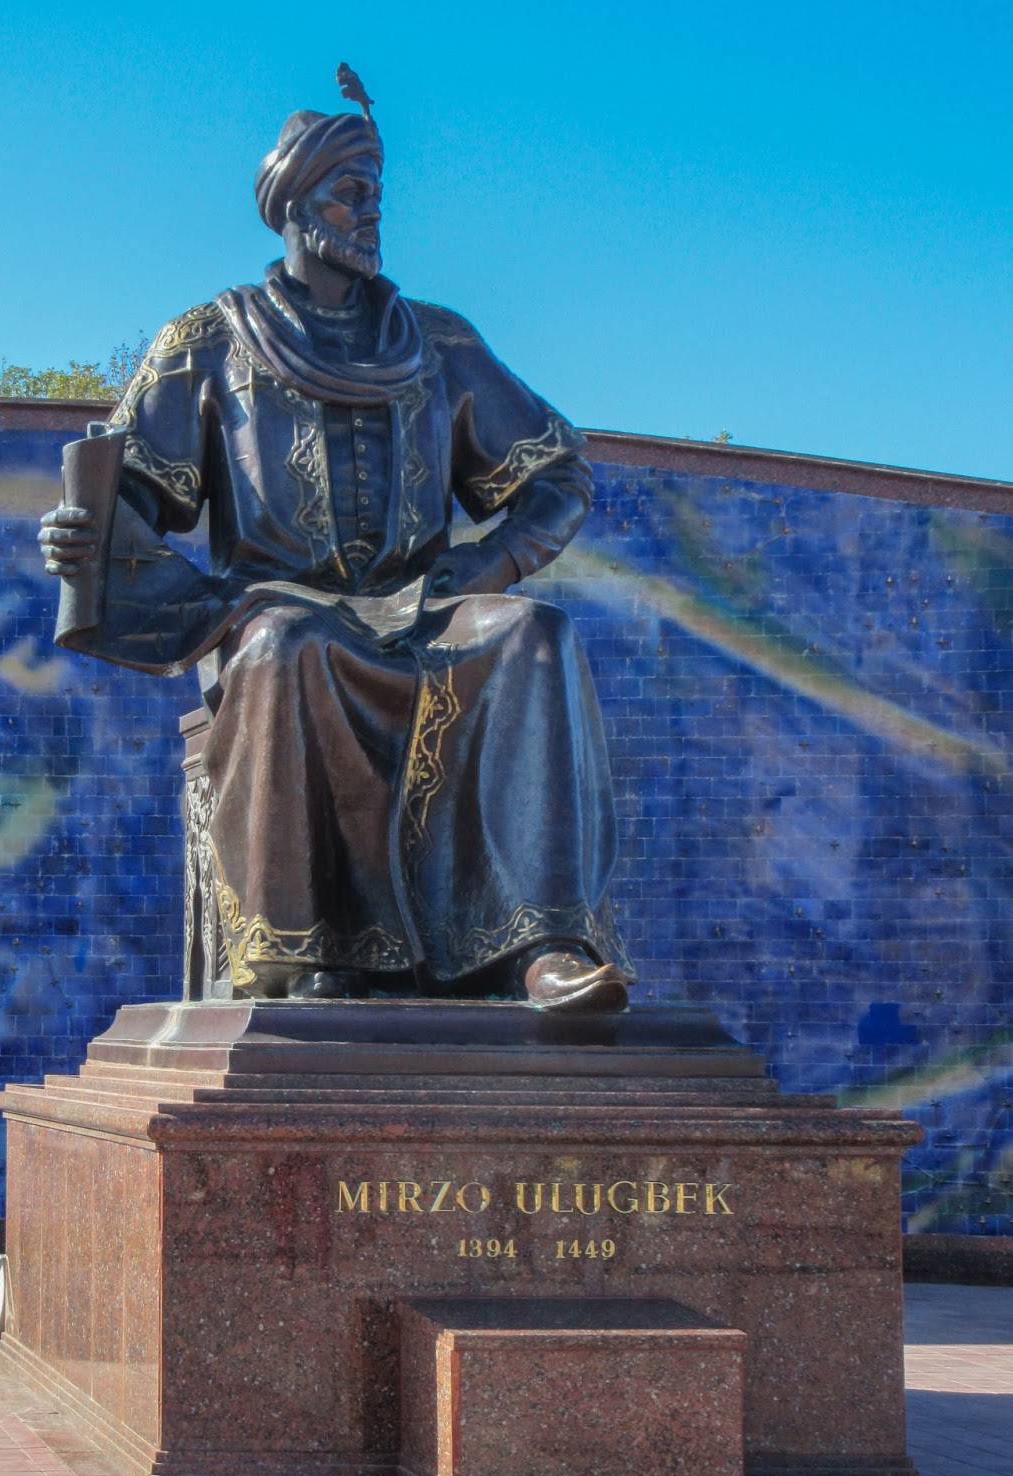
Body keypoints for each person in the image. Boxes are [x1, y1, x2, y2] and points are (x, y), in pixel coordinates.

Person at [39, 69, 634, 1013]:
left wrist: (485, 562)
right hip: (279, 614)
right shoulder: (208, 341)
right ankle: (308, 951)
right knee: (289, 646)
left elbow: (555, 476)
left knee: (534, 634)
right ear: (291, 203)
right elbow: (134, 502)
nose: (370, 214)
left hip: (422, 609)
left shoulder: (437, 341)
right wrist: (91, 544)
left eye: (376, 197)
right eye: (349, 194)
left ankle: (537, 946)